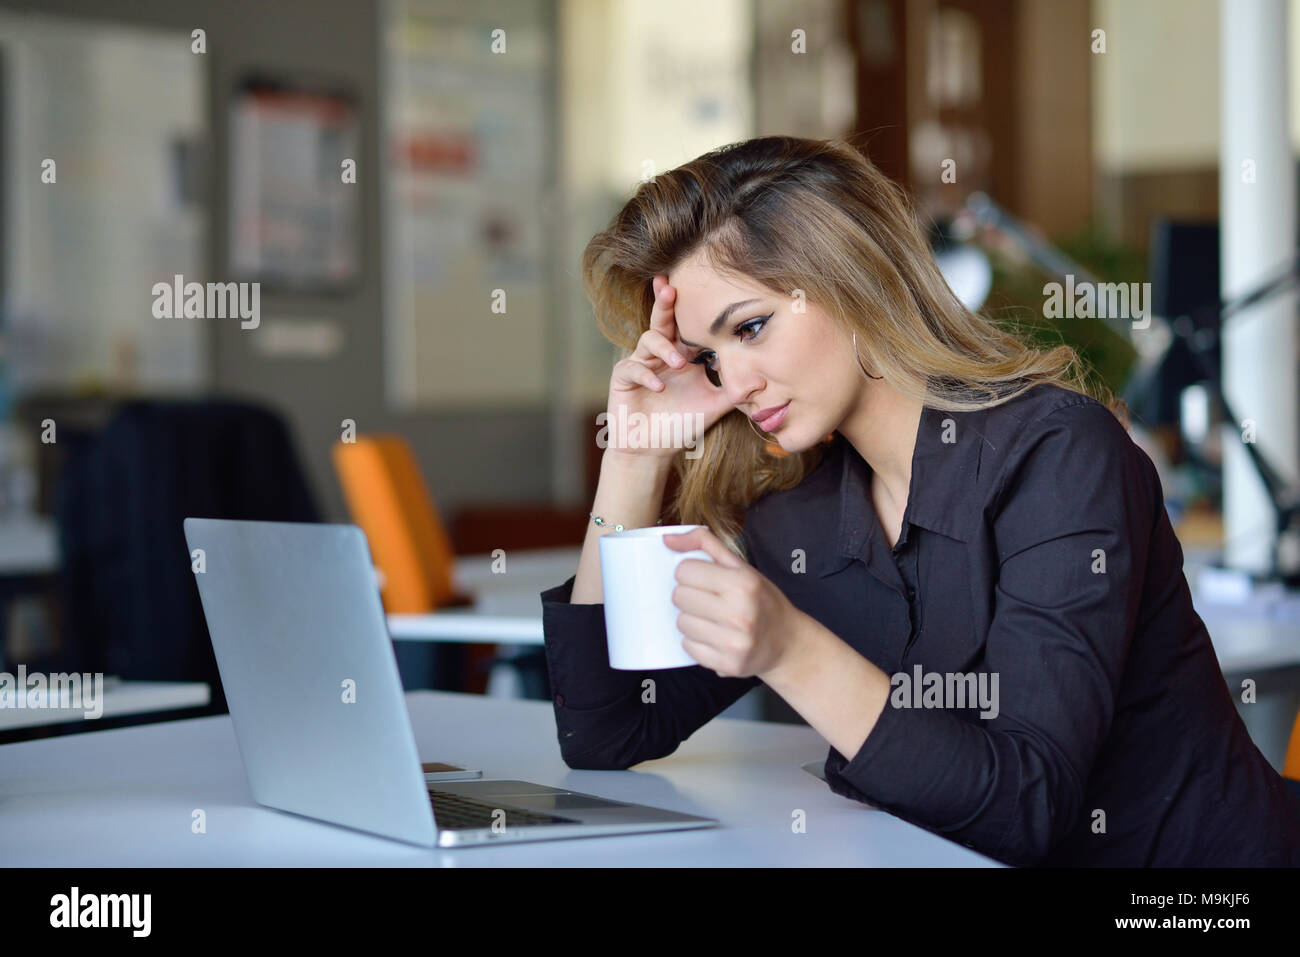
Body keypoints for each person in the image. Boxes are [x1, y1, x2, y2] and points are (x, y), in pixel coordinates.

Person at [539, 135, 1300, 867]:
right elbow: (606, 730)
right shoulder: (801, 515)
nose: (734, 385)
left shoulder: (1061, 455)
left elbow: (1026, 808)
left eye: (752, 327)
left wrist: (789, 648)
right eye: (708, 357)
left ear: (848, 276)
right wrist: (633, 460)